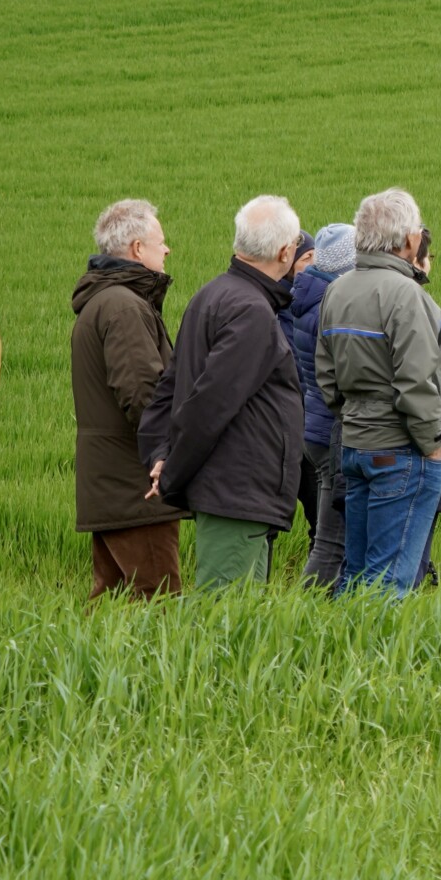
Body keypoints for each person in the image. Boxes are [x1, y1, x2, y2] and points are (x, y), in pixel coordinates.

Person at [137, 197, 306, 590]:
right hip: (238, 492)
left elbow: (170, 387)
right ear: (284, 251)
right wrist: (172, 468)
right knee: (226, 624)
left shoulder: (212, 294)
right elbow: (210, 403)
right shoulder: (252, 311)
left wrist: (161, 454)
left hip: (232, 491)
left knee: (241, 625)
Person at [319, 188, 441, 594]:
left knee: (357, 573)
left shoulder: (337, 289)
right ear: (409, 240)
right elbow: (417, 382)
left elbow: (326, 376)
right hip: (403, 451)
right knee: (390, 582)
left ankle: (342, 653)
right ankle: (378, 658)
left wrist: (356, 417)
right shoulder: (406, 295)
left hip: (355, 446)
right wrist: (432, 446)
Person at [70, 198, 188, 599]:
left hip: (112, 481)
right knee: (159, 600)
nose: (167, 249)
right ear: (138, 249)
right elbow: (142, 393)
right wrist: (165, 453)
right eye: (161, 240)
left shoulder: (108, 301)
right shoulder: (123, 306)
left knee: (112, 599)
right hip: (134, 485)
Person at [290, 223, 357, 588]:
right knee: (331, 541)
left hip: (314, 427)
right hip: (330, 429)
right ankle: (308, 613)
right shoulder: (329, 308)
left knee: (331, 536)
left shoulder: (308, 298)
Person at [275, 229, 319, 551]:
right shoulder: (272, 306)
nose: (314, 262)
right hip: (287, 427)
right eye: (306, 257)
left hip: (310, 423)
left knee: (324, 518)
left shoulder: (308, 303)